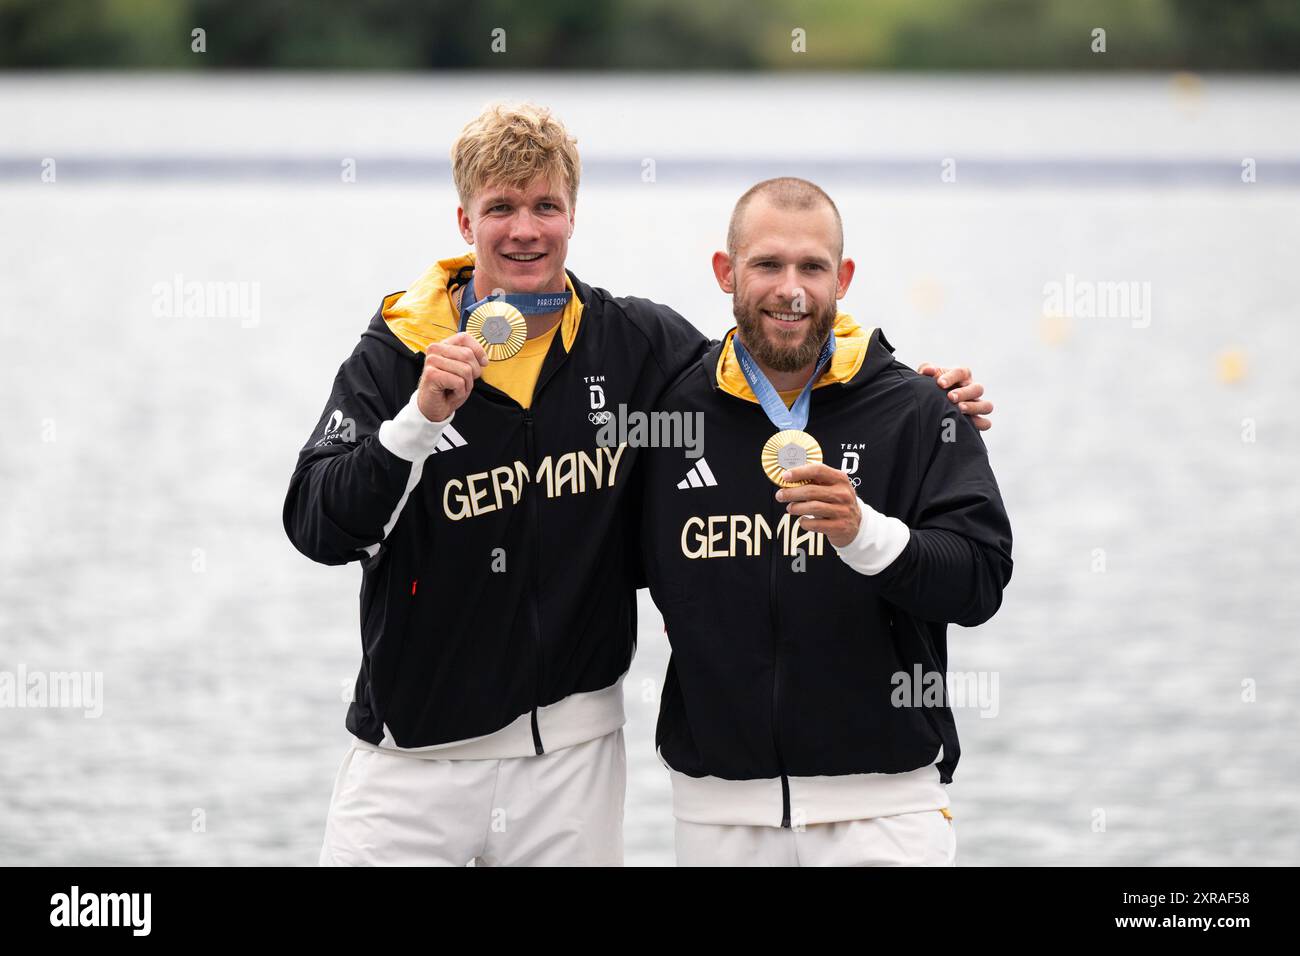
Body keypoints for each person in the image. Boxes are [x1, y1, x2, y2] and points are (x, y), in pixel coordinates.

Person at [283, 103, 995, 866]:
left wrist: (907, 391)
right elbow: (318, 527)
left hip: (572, 760)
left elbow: (763, 360)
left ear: (572, 215)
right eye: (501, 208)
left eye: (545, 206)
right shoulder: (395, 356)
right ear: (465, 221)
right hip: (410, 758)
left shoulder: (634, 345)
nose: (525, 229)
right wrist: (415, 422)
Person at [639, 177, 1013, 866]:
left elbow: (981, 581)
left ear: (841, 278)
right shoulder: (667, 418)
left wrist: (862, 534)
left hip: (886, 807)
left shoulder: (919, 411)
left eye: (812, 267)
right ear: (726, 273)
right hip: (717, 811)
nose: (792, 290)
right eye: (767, 265)